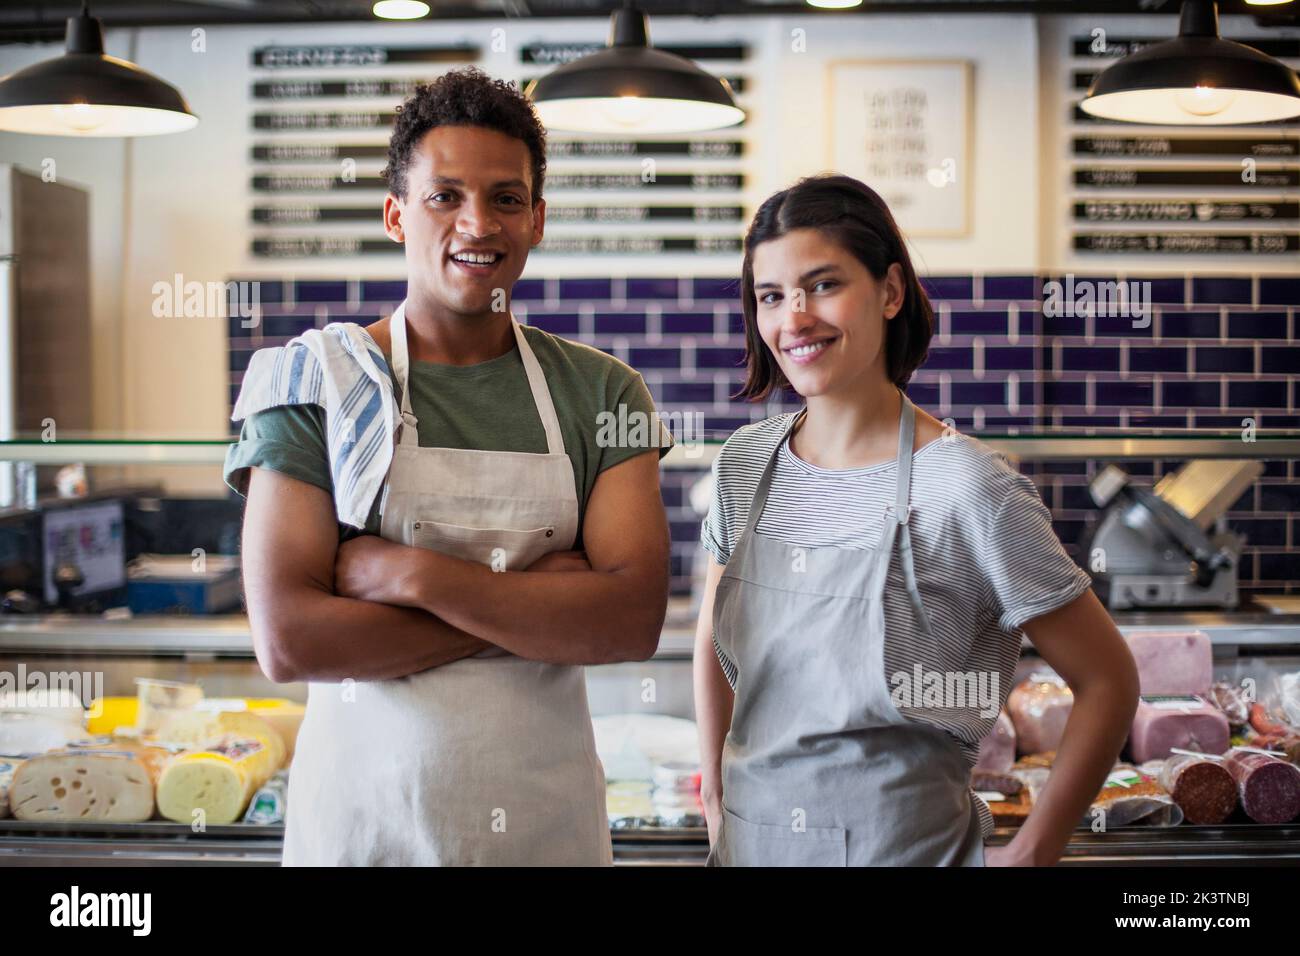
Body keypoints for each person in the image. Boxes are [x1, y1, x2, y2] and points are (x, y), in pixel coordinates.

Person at [224, 68, 672, 865]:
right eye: (445, 196)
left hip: (544, 830)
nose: (478, 223)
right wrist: (535, 607)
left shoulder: (603, 389)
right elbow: (291, 641)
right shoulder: (311, 382)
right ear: (397, 215)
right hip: (365, 832)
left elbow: (629, 622)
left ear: (537, 219)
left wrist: (414, 578)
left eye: (506, 198)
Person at [693, 174, 1139, 867]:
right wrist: (718, 800)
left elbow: (1109, 680)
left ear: (891, 291)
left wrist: (1035, 849)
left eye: (824, 284)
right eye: (771, 296)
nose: (795, 317)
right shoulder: (745, 465)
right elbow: (711, 643)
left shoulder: (967, 485)